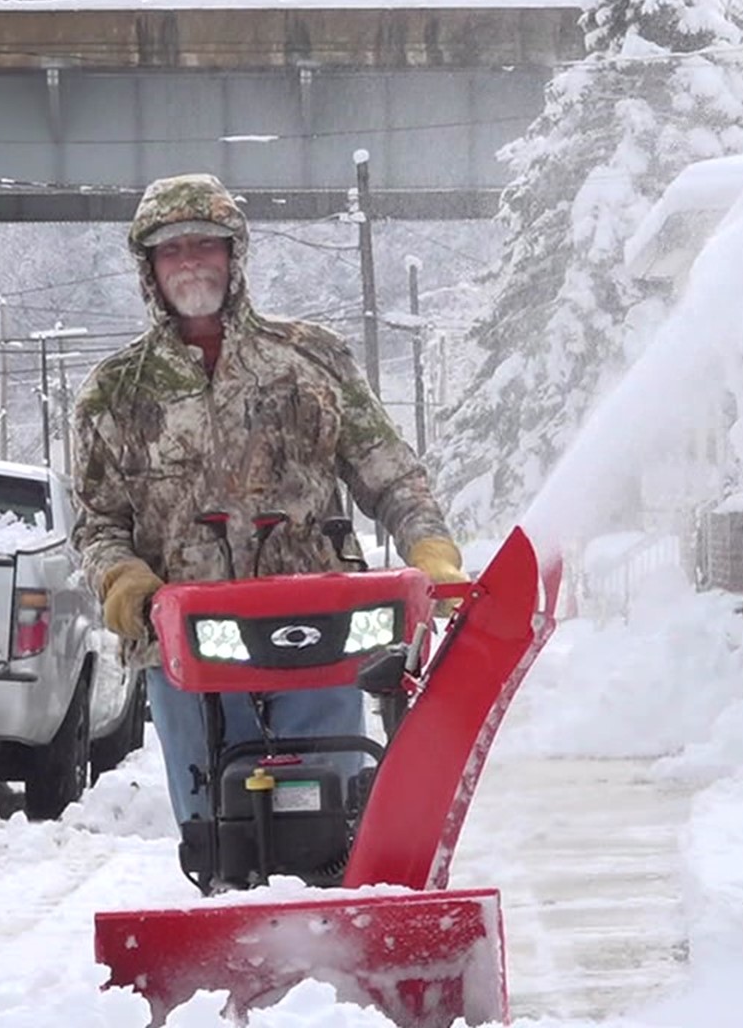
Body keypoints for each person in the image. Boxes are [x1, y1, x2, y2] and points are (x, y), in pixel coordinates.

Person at [69, 172, 468, 827]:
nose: (191, 260)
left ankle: (336, 906)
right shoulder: (114, 394)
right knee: (215, 823)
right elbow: (98, 522)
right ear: (149, 267)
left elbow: (390, 475)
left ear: (235, 254)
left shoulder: (310, 360)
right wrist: (122, 577)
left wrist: (431, 550)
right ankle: (226, 910)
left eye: (206, 244)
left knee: (325, 809)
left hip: (322, 632)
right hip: (188, 645)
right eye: (172, 250)